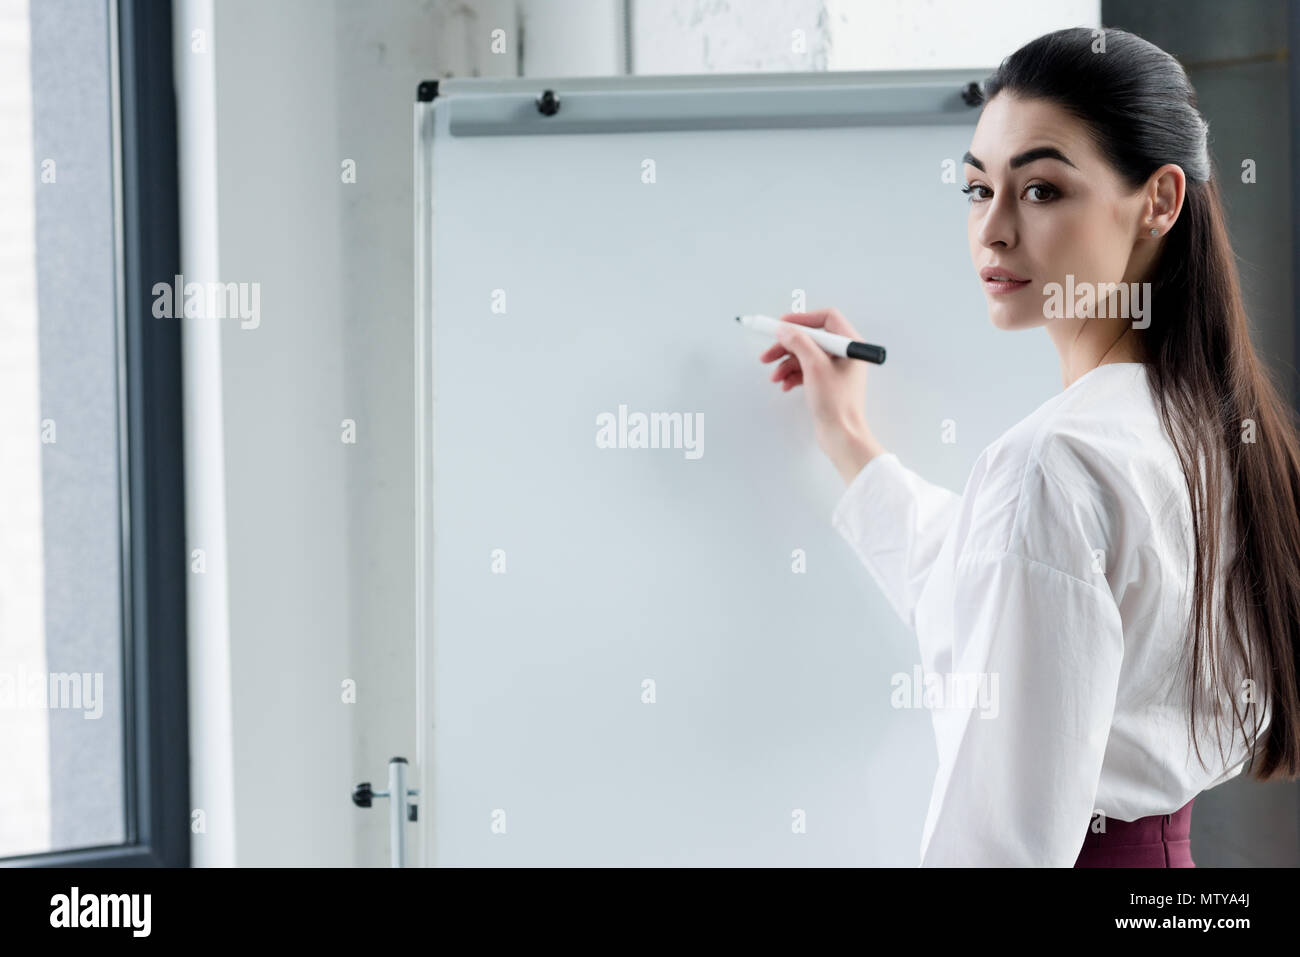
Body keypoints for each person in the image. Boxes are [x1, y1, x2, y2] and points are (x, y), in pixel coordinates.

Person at [759, 26, 1300, 866]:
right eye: (977, 190)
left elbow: (999, 844)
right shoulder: (1213, 427)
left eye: (1041, 190)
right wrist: (850, 438)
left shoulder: (1055, 460)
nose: (993, 231)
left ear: (1159, 200)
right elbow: (988, 580)